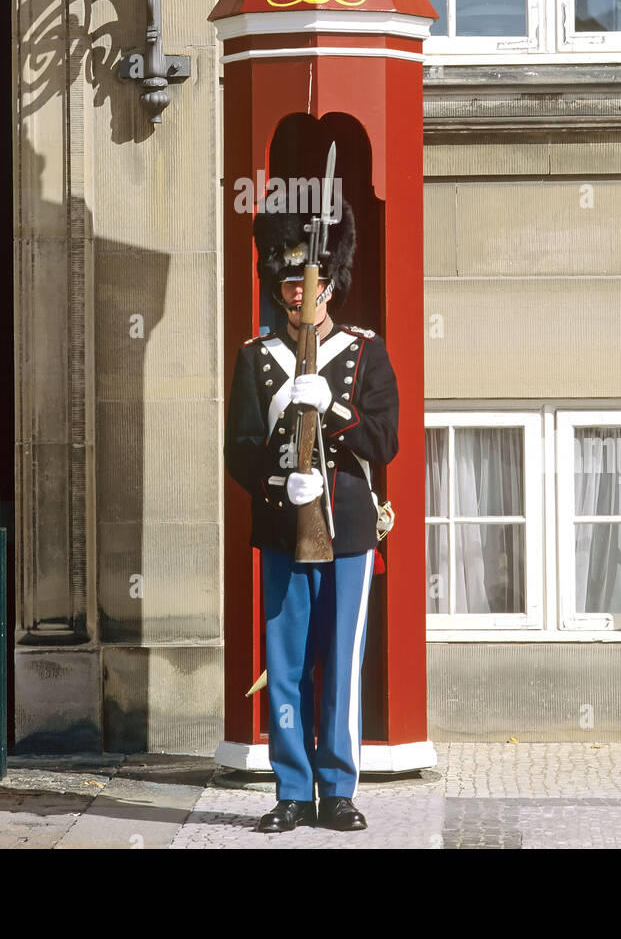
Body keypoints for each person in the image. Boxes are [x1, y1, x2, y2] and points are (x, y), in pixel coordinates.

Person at [224, 200, 399, 833]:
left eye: (313, 282)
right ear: (279, 289)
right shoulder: (257, 357)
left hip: (347, 531)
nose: (302, 293)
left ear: (330, 287)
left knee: (340, 660)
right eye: (291, 282)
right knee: (288, 662)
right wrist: (280, 476)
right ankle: (293, 788)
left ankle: (339, 786)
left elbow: (385, 439)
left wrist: (337, 413)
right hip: (282, 526)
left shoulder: (364, 353)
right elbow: (238, 447)